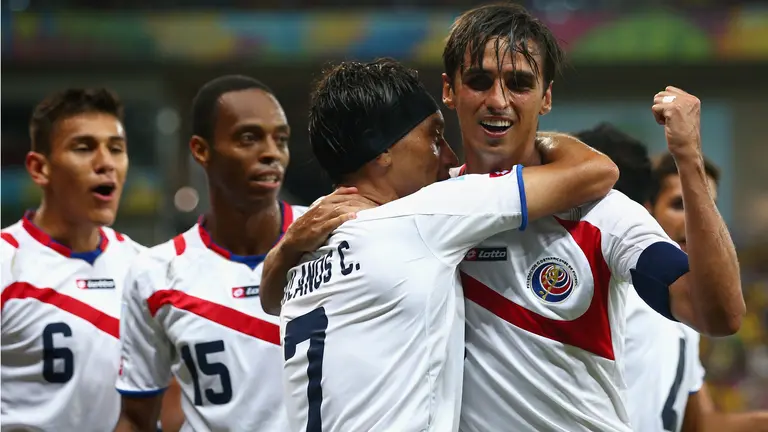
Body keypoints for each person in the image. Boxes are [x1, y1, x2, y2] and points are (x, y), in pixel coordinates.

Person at [264, 3, 745, 431]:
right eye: (479, 81)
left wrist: (689, 160)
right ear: (450, 91)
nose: (498, 100)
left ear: (546, 97)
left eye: (518, 83)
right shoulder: (416, 207)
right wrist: (286, 248)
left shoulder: (600, 209)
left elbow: (716, 314)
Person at [262, 58, 618, 432]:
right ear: (381, 150)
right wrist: (531, 135)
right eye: (434, 137)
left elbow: (270, 300)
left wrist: (285, 249)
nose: (449, 156)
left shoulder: (313, 230)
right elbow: (595, 171)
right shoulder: (424, 217)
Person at [114, 75, 317, 431]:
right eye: (249, 138)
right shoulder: (155, 274)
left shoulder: (328, 237)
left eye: (280, 139)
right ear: (201, 150)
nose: (271, 152)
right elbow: (136, 417)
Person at [579, 123, 768, 432]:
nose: (699, 223)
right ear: (644, 211)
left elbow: (700, 423)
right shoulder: (612, 287)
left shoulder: (690, 310)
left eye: (709, 209)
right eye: (680, 204)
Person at [1, 88, 145, 432]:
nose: (106, 163)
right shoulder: (6, 262)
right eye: (84, 148)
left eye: (116, 149)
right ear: (40, 168)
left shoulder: (146, 267)